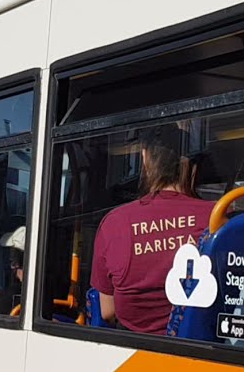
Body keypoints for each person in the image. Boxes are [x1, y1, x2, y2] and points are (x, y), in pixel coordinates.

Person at [91, 123, 214, 335]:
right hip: (207, 352)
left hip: (133, 355)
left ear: (145, 160)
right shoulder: (218, 215)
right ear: (192, 166)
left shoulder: (115, 223)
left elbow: (107, 311)